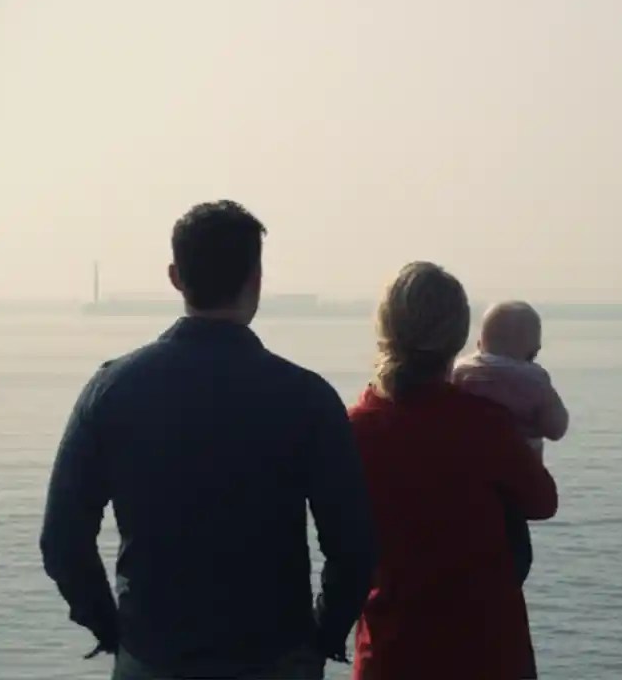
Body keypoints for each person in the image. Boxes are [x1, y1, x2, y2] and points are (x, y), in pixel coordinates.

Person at [40, 200, 376, 680]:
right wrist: (324, 634)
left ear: (175, 277)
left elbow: (63, 541)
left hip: (153, 652)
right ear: (256, 279)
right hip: (276, 653)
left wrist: (109, 627)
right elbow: (353, 545)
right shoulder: (306, 397)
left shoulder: (111, 390)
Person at [349, 262, 558, 679]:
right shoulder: (484, 423)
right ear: (461, 337)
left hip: (392, 653)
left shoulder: (355, 427)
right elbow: (542, 501)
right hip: (489, 652)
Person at [451, 301, 568, 583]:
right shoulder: (534, 379)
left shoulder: (461, 372)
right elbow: (555, 428)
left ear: (479, 343)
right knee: (514, 559)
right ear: (534, 351)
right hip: (518, 486)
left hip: (465, 484)